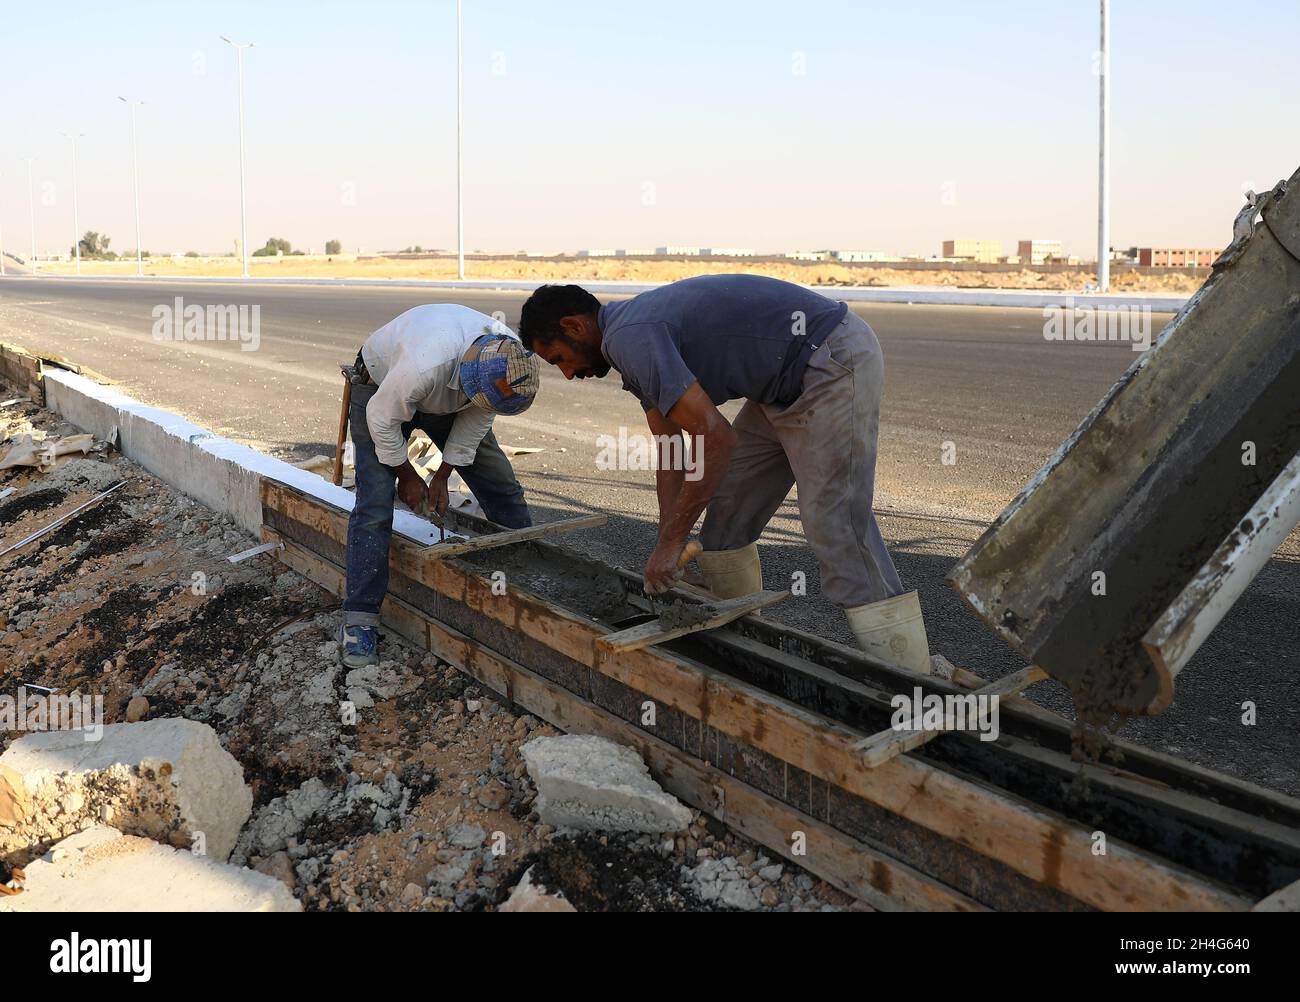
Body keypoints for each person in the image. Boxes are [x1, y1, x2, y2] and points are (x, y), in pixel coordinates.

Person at [517, 275, 930, 674]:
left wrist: (673, 541)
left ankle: (908, 674)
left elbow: (716, 439)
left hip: (830, 358)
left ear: (573, 326)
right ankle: (750, 650)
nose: (568, 374)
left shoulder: (629, 338)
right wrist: (668, 544)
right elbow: (673, 452)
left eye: (559, 359)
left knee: (832, 517)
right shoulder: (629, 344)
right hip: (781, 387)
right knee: (725, 518)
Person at [341, 304, 539, 668]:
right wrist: (408, 475)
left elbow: (476, 420)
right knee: (375, 505)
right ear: (467, 378)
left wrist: (444, 474)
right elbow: (381, 420)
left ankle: (524, 580)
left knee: (501, 486)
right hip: (379, 388)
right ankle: (360, 618)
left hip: (452, 391)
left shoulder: (507, 362)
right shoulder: (423, 366)